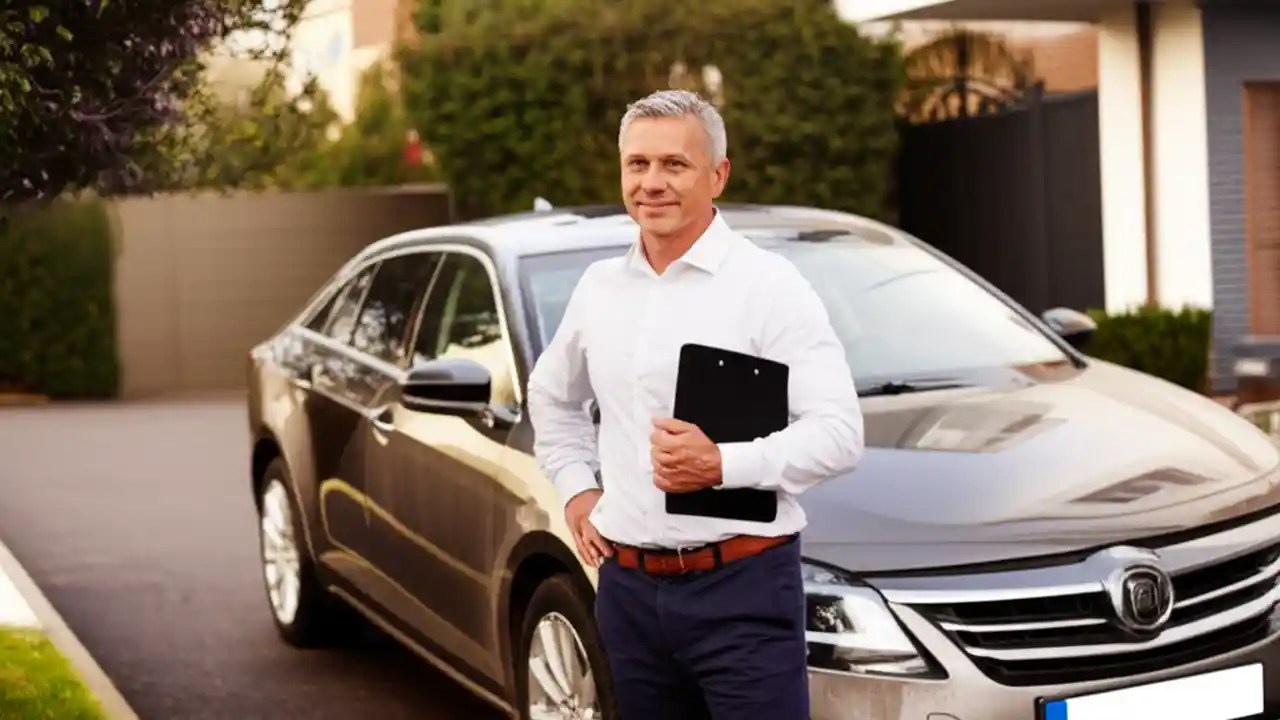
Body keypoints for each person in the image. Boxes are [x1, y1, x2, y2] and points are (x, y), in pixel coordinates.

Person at [526, 89, 865, 720]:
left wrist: (722, 465)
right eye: (637, 164)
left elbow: (839, 432)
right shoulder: (599, 288)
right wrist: (575, 487)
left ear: (718, 175)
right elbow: (551, 396)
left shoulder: (768, 286)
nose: (652, 183)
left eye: (674, 165)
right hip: (627, 595)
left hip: (742, 592)